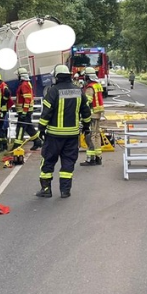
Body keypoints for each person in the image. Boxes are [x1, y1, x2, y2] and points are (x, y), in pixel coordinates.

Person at [36, 65, 92, 199]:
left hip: (54, 136)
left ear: (57, 76)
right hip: (72, 136)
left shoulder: (53, 91)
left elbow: (46, 113)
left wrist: (41, 129)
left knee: (48, 161)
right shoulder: (78, 91)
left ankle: (46, 189)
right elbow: (86, 112)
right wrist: (86, 127)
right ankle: (65, 191)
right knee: (68, 162)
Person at [80, 67, 105, 166]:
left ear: (88, 76)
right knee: (97, 135)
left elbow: (87, 102)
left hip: (92, 114)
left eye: (85, 76)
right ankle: (98, 157)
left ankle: (91, 159)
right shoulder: (97, 85)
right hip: (98, 113)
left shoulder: (90, 87)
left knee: (90, 136)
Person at [13, 67, 41, 151]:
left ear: (21, 76)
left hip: (24, 111)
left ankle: (17, 145)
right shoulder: (25, 84)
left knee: (20, 127)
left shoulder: (24, 85)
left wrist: (24, 112)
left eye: (18, 75)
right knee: (29, 127)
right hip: (24, 110)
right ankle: (37, 141)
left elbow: (27, 99)